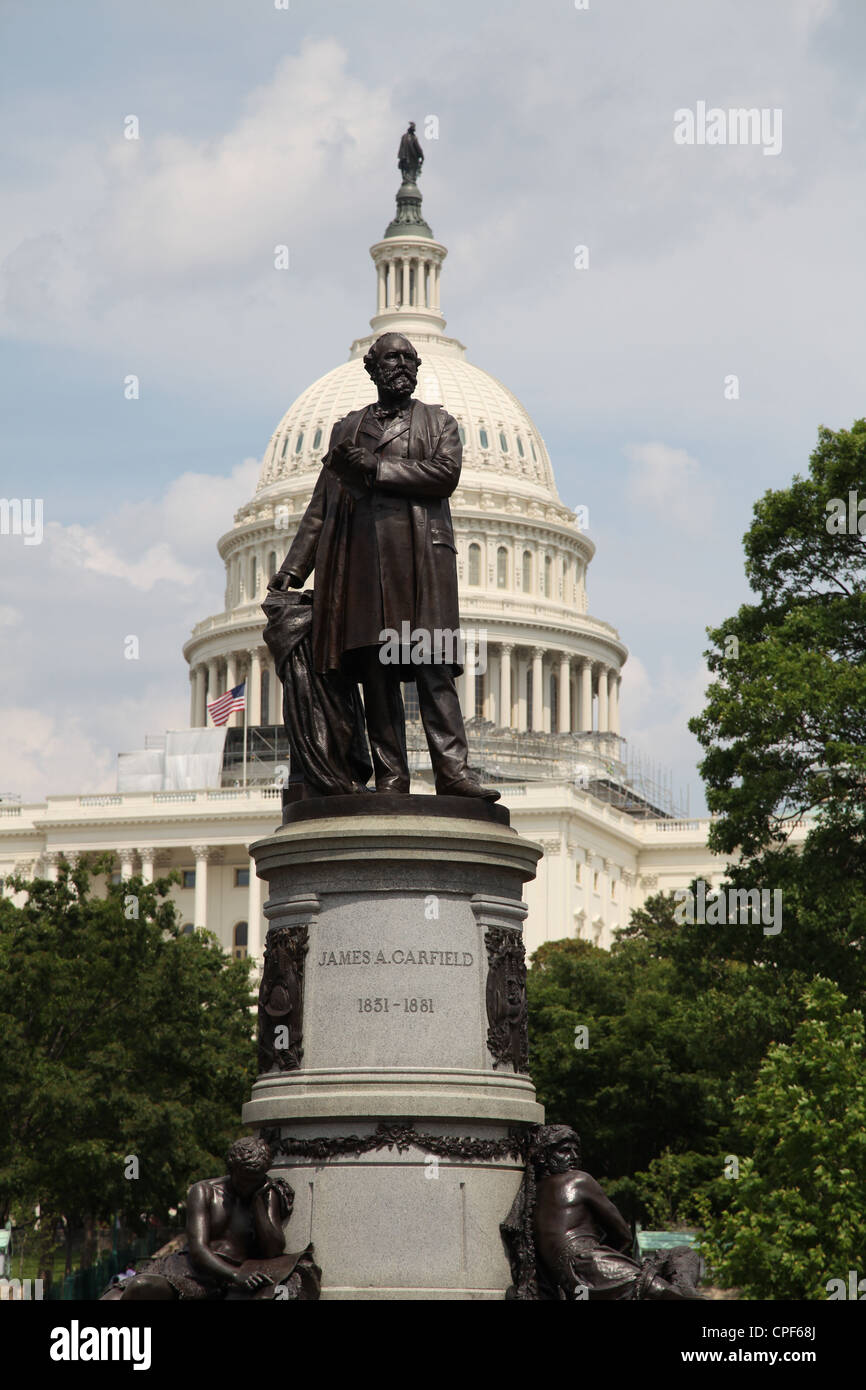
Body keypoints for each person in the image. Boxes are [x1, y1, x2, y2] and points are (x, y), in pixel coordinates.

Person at [270, 332, 499, 801]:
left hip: (419, 564)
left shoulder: (438, 423)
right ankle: (391, 775)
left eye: (409, 360)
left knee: (432, 666)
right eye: (391, 359)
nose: (402, 367)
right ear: (372, 370)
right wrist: (293, 571)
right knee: (377, 674)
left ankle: (453, 772)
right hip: (360, 569)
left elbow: (443, 475)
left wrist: (374, 469)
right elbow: (321, 506)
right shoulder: (346, 429)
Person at [111, 1137, 319, 1301]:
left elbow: (274, 1249)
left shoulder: (265, 1192)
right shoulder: (204, 1191)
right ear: (231, 1170)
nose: (249, 1186)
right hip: (189, 1271)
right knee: (114, 1296)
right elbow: (198, 1250)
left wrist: (258, 1203)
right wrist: (236, 1275)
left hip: (216, 1282)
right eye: (244, 1180)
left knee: (141, 1288)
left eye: (255, 1181)